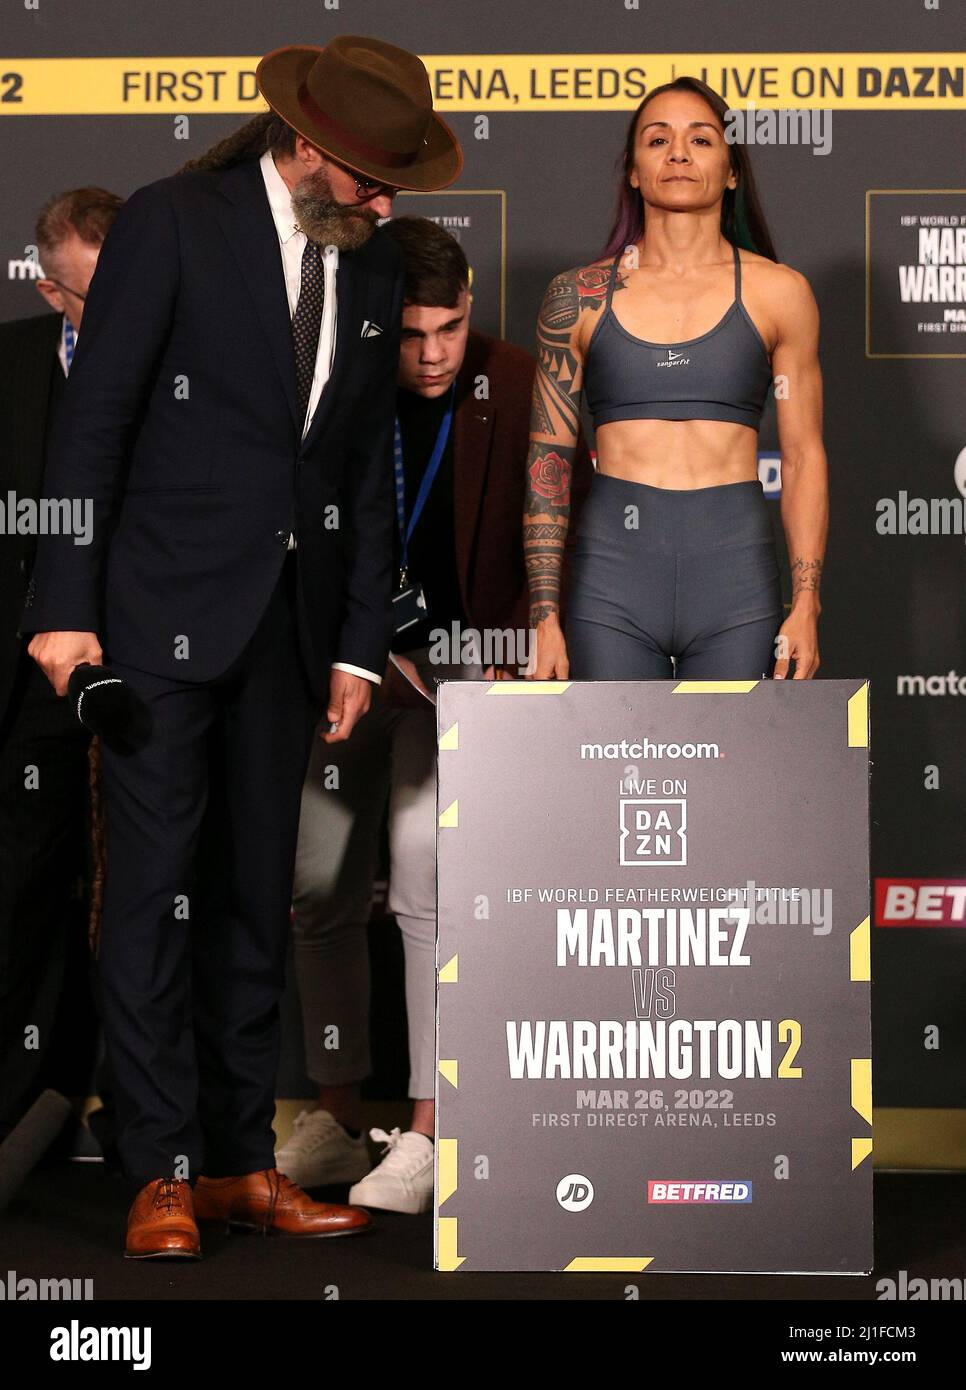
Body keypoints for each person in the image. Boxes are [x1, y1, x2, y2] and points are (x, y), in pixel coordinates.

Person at [21, 36, 462, 1260]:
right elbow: (94, 420)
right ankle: (158, 1167)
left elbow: (358, 471)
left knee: (253, 903)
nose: (388, 203)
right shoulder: (172, 220)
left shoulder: (366, 263)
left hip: (293, 631)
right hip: (156, 617)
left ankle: (234, 1163)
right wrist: (66, 605)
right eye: (374, 178)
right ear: (310, 151)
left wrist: (360, 648)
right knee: (155, 899)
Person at [274, 217, 594, 1212]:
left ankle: (427, 1129)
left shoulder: (514, 376)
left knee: (421, 876)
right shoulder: (339, 376)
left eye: (447, 329)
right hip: (351, 671)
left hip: (468, 681)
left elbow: (560, 540)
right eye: (410, 334)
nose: (431, 354)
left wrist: (493, 657)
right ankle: (334, 1116)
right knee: (319, 885)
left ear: (468, 311)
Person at [524, 77, 827, 682]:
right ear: (633, 171)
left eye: (702, 139)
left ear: (732, 170)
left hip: (736, 578)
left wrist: (807, 603)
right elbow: (547, 465)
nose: (679, 154)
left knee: (734, 774)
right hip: (610, 580)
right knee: (614, 773)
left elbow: (801, 457)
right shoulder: (576, 297)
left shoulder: (781, 292)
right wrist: (543, 616)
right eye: (658, 139)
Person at [0, 187, 123, 1146]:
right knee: (28, 894)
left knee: (157, 901)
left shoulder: (191, 365)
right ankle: (27, 1110)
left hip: (152, 681)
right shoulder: (7, 368)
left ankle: (148, 1121)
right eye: (91, 295)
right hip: (28, 686)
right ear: (49, 292)